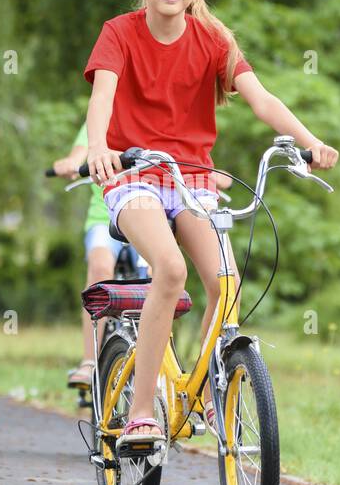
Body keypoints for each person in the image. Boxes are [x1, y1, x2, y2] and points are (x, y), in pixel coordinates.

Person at [83, 0, 338, 446]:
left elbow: (262, 99)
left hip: (192, 178)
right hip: (134, 176)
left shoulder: (213, 41)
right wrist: (97, 148)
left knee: (227, 286)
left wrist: (310, 144)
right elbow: (102, 98)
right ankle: (141, 410)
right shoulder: (119, 33)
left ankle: (200, 392)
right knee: (171, 270)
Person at [51, 123, 231, 389]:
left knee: (159, 275)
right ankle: (89, 360)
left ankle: (160, 365)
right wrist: (71, 163)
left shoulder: (159, 120)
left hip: (152, 209)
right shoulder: (100, 121)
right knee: (101, 266)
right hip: (106, 213)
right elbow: (83, 150)